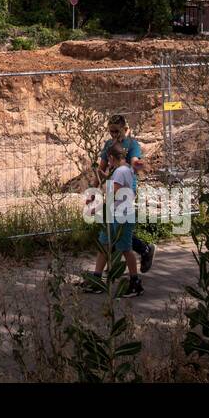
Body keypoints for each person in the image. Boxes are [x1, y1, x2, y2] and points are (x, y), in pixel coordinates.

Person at [96, 115, 155, 273]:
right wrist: (95, 187)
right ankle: (140, 252)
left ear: (125, 129)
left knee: (119, 227)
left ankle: (140, 253)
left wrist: (138, 164)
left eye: (116, 131)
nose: (114, 135)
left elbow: (135, 161)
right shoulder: (109, 144)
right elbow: (101, 167)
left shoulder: (131, 144)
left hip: (125, 187)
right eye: (111, 131)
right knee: (115, 229)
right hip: (113, 185)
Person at [84, 143, 143, 296]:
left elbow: (116, 192)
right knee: (104, 244)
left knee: (125, 249)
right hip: (116, 213)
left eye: (108, 160)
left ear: (111, 157)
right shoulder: (127, 169)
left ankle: (135, 282)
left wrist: (99, 195)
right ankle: (96, 279)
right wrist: (105, 177)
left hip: (121, 215)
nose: (107, 163)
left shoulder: (119, 172)